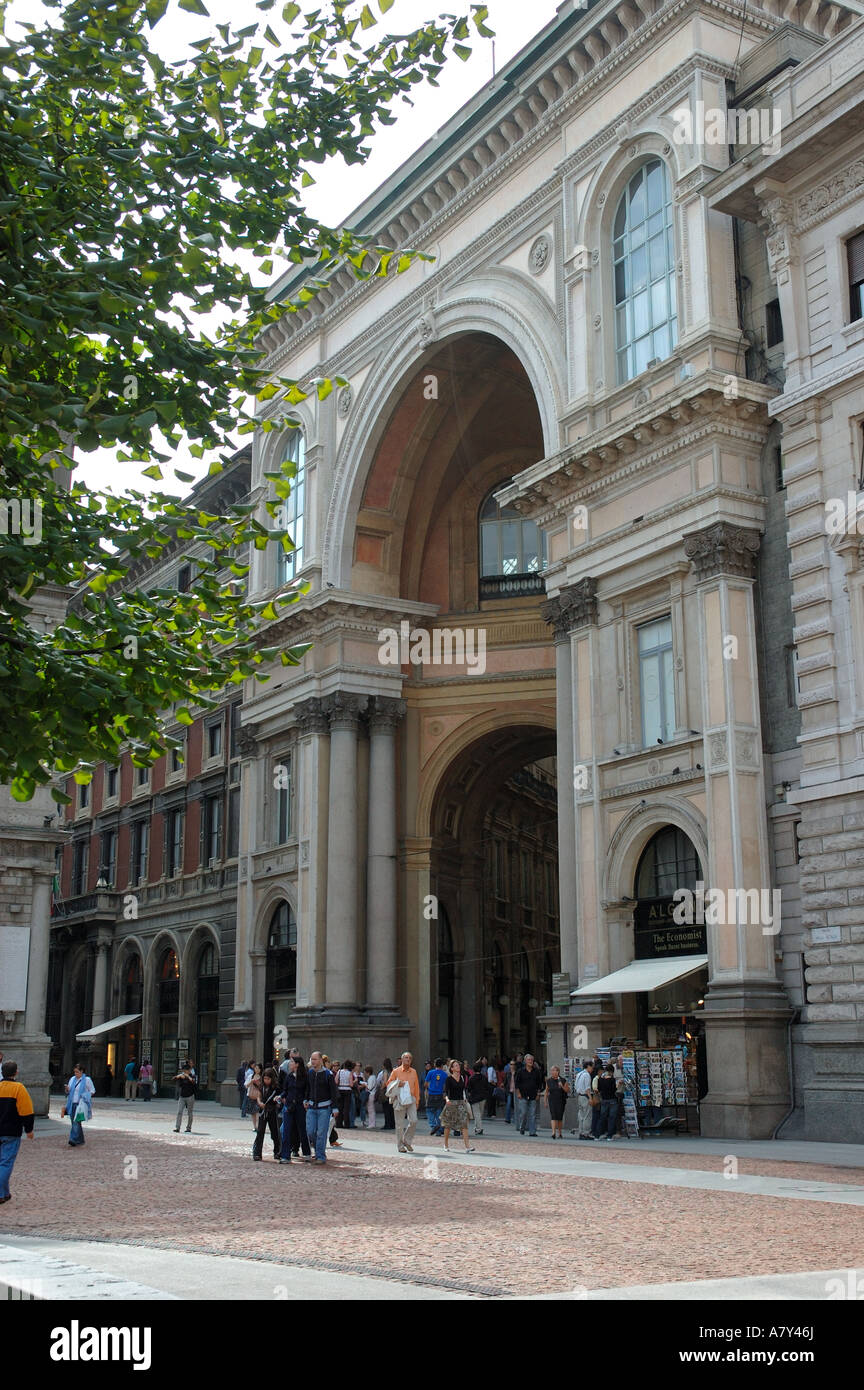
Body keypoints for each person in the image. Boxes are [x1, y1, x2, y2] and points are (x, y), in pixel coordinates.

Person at [0, 1060, 35, 1204]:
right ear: (16, 1072)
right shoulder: (19, 1088)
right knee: (6, 1163)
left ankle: (5, 1192)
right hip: (11, 1131)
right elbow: (26, 1112)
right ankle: (1, 1193)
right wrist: (29, 1130)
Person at [304, 1052, 340, 1164]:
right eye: (312, 1059)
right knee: (310, 1131)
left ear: (320, 1060)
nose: (313, 1061)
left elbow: (333, 1092)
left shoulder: (328, 1074)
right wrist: (305, 1099)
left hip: (324, 1108)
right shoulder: (310, 1073)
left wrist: (334, 1108)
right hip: (311, 1107)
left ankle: (320, 1156)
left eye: (315, 1059)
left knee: (321, 1133)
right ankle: (317, 1150)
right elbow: (307, 1088)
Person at [386, 1052, 420, 1154]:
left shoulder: (414, 1072)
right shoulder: (396, 1071)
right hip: (399, 1100)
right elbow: (388, 1084)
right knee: (399, 1124)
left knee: (414, 1120)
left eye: (410, 1058)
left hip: (411, 1099)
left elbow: (417, 1086)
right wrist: (397, 1084)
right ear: (402, 1059)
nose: (408, 1059)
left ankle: (407, 1140)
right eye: (406, 1057)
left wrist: (417, 1100)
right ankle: (400, 1145)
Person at [440, 1060, 475, 1154]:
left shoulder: (462, 1078)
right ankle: (446, 1144)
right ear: (451, 1068)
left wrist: (465, 1099)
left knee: (464, 1124)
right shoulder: (449, 1079)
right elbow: (445, 1091)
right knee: (448, 1125)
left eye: (458, 1065)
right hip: (451, 1103)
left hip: (461, 1103)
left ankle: (467, 1146)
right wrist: (447, 1099)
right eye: (455, 1066)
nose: (458, 1067)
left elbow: (464, 1090)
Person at [253, 1067, 283, 1161]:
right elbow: (258, 1095)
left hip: (272, 1110)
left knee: (274, 1132)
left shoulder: (276, 1088)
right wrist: (259, 1102)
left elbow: (278, 1099)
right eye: (265, 1078)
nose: (266, 1081)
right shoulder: (262, 1086)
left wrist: (277, 1102)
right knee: (260, 1132)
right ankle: (257, 1153)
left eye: (268, 1079)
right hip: (263, 1111)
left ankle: (277, 1151)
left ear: (272, 1079)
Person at [63, 1063, 95, 1147]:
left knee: (76, 1122)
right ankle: (80, 1140)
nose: (75, 1074)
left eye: (77, 1072)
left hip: (80, 1104)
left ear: (82, 1071)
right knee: (74, 1122)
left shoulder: (87, 1080)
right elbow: (69, 1091)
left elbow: (92, 1091)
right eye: (74, 1072)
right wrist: (67, 1089)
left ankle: (72, 1139)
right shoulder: (72, 1079)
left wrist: (85, 1096)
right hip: (72, 1103)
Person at [514, 1053, 543, 1136]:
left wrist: (538, 1093)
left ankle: (532, 1132)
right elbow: (517, 1083)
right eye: (529, 1060)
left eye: (532, 1060)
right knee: (523, 1113)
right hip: (523, 1095)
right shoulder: (520, 1071)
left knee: (533, 1114)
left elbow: (539, 1084)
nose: (530, 1061)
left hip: (533, 1095)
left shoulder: (536, 1071)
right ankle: (522, 1127)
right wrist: (518, 1093)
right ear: (525, 1061)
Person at [466, 1059, 491, 1136]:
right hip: (482, 1097)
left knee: (476, 1114)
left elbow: (469, 1089)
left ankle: (478, 1128)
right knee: (480, 1113)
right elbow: (487, 1087)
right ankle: (478, 1128)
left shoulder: (471, 1078)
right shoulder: (484, 1077)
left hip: (474, 1098)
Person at [596, 1064, 620, 1142]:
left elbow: (599, 1089)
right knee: (611, 1118)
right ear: (612, 1071)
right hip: (612, 1099)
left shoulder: (600, 1079)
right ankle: (609, 1135)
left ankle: (597, 1135)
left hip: (604, 1099)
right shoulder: (612, 1080)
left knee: (602, 1117)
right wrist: (617, 1085)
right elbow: (614, 1090)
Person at [544, 1064, 570, 1140]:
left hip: (561, 1100)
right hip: (552, 1100)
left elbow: (567, 1090)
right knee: (553, 1116)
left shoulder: (563, 1080)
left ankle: (560, 1133)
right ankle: (553, 1133)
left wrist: (562, 1086)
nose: (552, 1072)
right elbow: (546, 1092)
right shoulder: (549, 1081)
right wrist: (545, 1101)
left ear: (558, 1072)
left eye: (554, 1070)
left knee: (559, 1117)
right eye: (552, 1071)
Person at [423, 1058, 447, 1136]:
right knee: (438, 1112)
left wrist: (430, 1086)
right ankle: (439, 1130)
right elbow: (444, 1086)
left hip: (431, 1094)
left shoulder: (430, 1072)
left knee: (429, 1110)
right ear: (442, 1065)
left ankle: (434, 1125)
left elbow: (425, 1084)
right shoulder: (444, 1074)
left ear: (434, 1064)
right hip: (440, 1094)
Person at [173, 1062, 197, 1133]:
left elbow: (194, 1083)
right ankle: (177, 1127)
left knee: (190, 1112)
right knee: (179, 1112)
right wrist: (178, 1076)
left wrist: (187, 1076)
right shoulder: (181, 1077)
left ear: (189, 1070)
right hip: (182, 1097)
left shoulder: (192, 1076)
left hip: (190, 1096)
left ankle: (188, 1128)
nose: (184, 1072)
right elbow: (173, 1079)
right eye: (183, 1070)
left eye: (185, 1070)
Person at [575, 1060, 595, 1140]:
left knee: (581, 1115)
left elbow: (576, 1086)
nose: (592, 1069)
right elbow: (587, 1088)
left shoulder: (579, 1074)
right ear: (589, 1066)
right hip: (585, 1096)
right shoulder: (587, 1075)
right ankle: (586, 1133)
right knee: (587, 1115)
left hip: (580, 1096)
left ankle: (581, 1132)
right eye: (592, 1067)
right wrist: (590, 1098)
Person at [336, 1060, 355, 1129]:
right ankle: (346, 1124)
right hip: (347, 1090)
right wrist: (354, 1081)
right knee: (346, 1108)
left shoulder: (339, 1071)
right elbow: (351, 1084)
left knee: (340, 1107)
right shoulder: (349, 1073)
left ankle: (338, 1123)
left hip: (340, 1089)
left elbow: (336, 1081)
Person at [378, 1057, 395, 1130]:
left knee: (386, 1109)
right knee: (391, 1109)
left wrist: (381, 1088)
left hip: (386, 1091)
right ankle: (392, 1124)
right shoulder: (393, 1071)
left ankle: (387, 1124)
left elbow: (385, 1082)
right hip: (392, 1091)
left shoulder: (385, 1072)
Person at [246, 1063, 263, 1134]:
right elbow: (246, 1085)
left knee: (257, 1112)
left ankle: (258, 1126)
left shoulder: (262, 1077)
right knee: (253, 1112)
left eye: (258, 1068)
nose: (256, 1070)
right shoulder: (251, 1076)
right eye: (255, 1068)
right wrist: (251, 1081)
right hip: (251, 1096)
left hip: (259, 1096)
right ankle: (254, 1126)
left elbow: (263, 1087)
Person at [504, 1054, 518, 1124]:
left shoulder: (517, 1073)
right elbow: (505, 1083)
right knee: (508, 1104)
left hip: (516, 1091)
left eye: (513, 1064)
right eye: (511, 1064)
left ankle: (516, 1119)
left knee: (516, 1106)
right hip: (509, 1091)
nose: (512, 1066)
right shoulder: (508, 1073)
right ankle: (507, 1119)